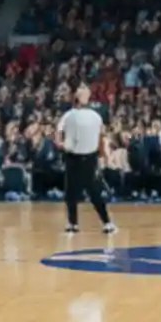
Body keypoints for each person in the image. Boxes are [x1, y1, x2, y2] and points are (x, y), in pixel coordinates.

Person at [57, 85, 116, 234]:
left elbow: (101, 136)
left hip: (90, 157)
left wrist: (102, 154)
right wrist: (62, 145)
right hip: (72, 157)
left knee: (94, 191)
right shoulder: (68, 115)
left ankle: (107, 222)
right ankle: (73, 223)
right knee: (71, 191)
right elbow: (59, 133)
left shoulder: (95, 116)